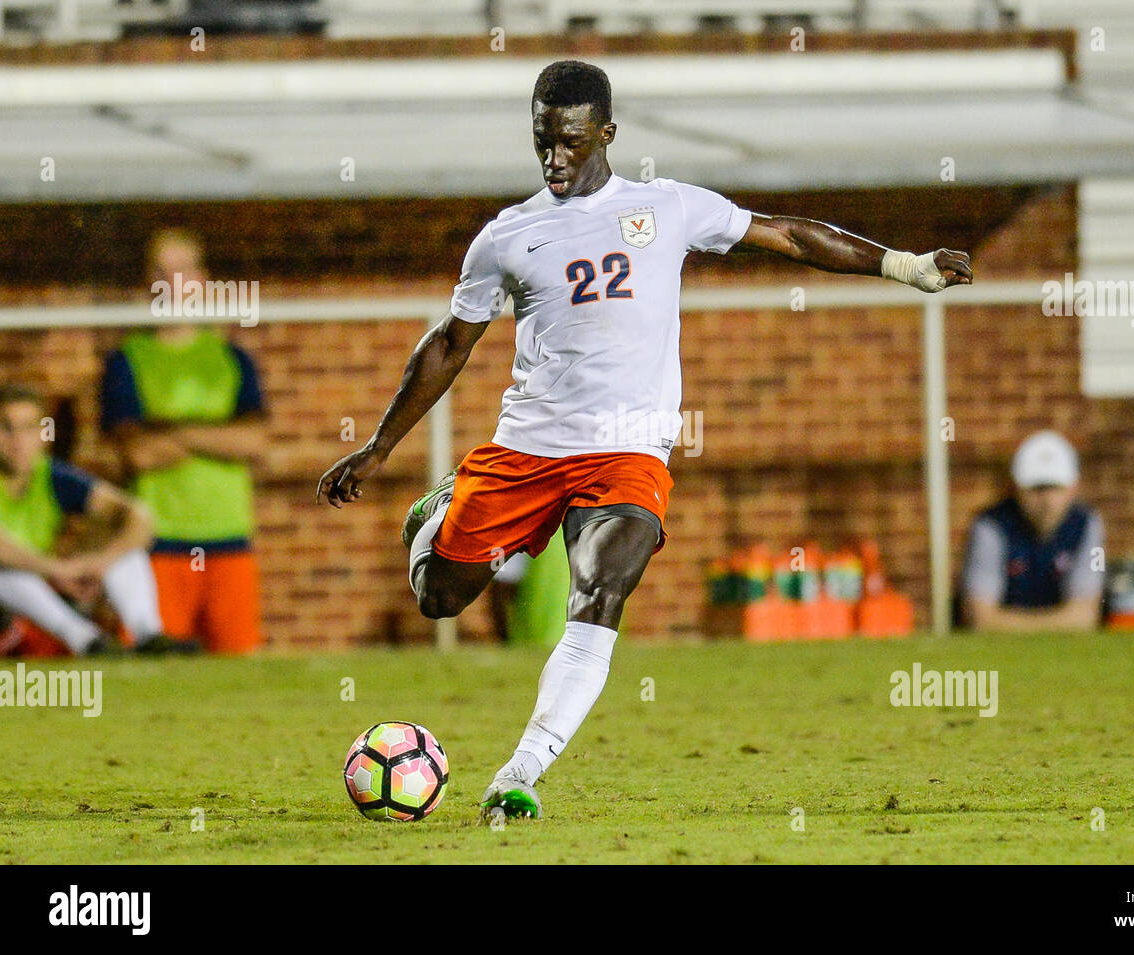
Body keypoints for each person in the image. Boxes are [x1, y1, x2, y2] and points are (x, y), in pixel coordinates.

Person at [317, 60, 972, 821]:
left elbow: (789, 235)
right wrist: (378, 447)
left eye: (568, 141)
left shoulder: (667, 207)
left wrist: (905, 264)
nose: (554, 158)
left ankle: (520, 770)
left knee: (600, 590)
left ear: (606, 134)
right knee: (439, 597)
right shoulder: (507, 236)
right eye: (541, 142)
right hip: (527, 448)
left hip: (628, 450)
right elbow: (447, 345)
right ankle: (444, 509)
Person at [100, 229, 268, 654]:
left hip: (230, 538)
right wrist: (217, 435)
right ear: (147, 280)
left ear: (203, 279)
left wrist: (172, 431)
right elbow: (137, 453)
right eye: (161, 271)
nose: (172, 282)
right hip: (154, 543)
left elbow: (254, 442)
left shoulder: (232, 358)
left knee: (241, 673)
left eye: (182, 270)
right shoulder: (126, 360)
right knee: (150, 667)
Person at [0, 384, 185, 655]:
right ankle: (85, 639)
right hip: (14, 601)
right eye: (6, 428)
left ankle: (148, 635)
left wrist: (98, 563)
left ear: (43, 434)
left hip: (47, 588)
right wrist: (56, 569)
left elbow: (139, 517)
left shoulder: (52, 476)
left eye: (28, 428)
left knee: (124, 550)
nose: (17, 440)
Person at [961, 430, 1105, 632]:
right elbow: (981, 619)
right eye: (1036, 488)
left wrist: (1009, 623)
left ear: (1074, 487)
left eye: (1055, 487)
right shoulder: (991, 526)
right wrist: (1061, 622)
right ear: (1014, 488)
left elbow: (1085, 616)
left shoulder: (1086, 524)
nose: (1046, 500)